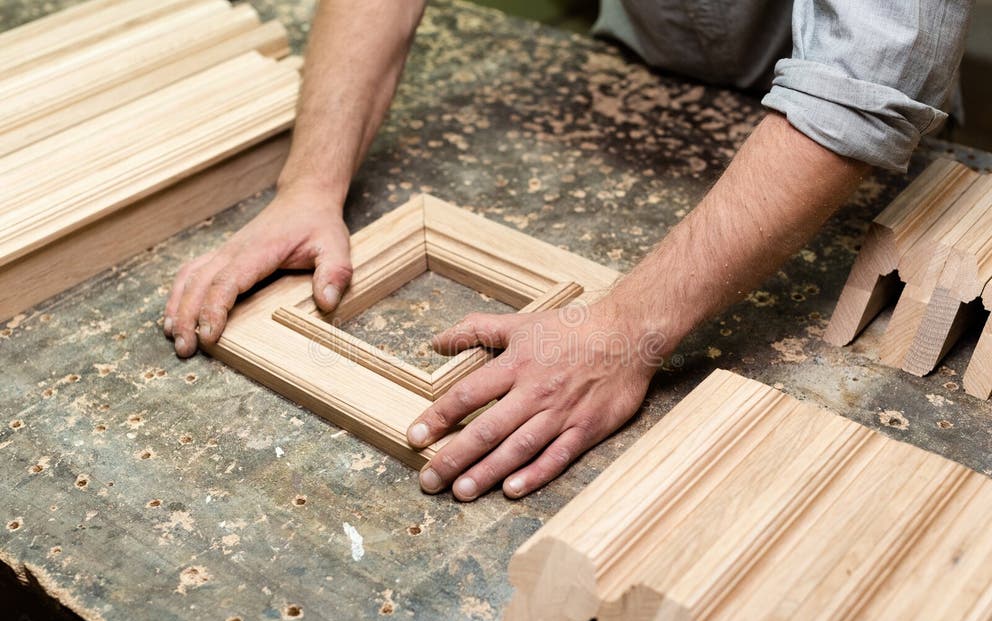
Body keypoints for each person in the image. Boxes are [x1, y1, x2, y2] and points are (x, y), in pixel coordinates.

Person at [163, 0, 972, 501]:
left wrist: (626, 326)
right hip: (650, 55)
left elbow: (861, 81)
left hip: (847, 134)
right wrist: (309, 184)